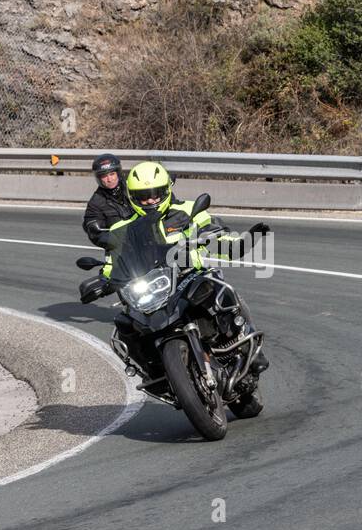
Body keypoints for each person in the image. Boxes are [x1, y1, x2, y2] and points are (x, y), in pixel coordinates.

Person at [103, 160, 269, 374]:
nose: (150, 200)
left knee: (220, 288)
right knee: (126, 323)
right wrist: (102, 280)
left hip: (192, 275)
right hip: (155, 289)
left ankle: (248, 344)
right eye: (143, 196)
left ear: (166, 190)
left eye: (155, 193)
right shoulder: (121, 228)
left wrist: (241, 242)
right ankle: (155, 370)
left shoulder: (189, 209)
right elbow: (112, 262)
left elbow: (217, 235)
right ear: (132, 197)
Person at [82, 153, 134, 248]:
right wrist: (116, 241)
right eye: (104, 176)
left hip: (147, 241)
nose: (109, 179)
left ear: (118, 173)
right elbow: (95, 233)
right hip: (121, 250)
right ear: (99, 178)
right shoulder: (96, 202)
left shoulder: (134, 187)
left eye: (112, 174)